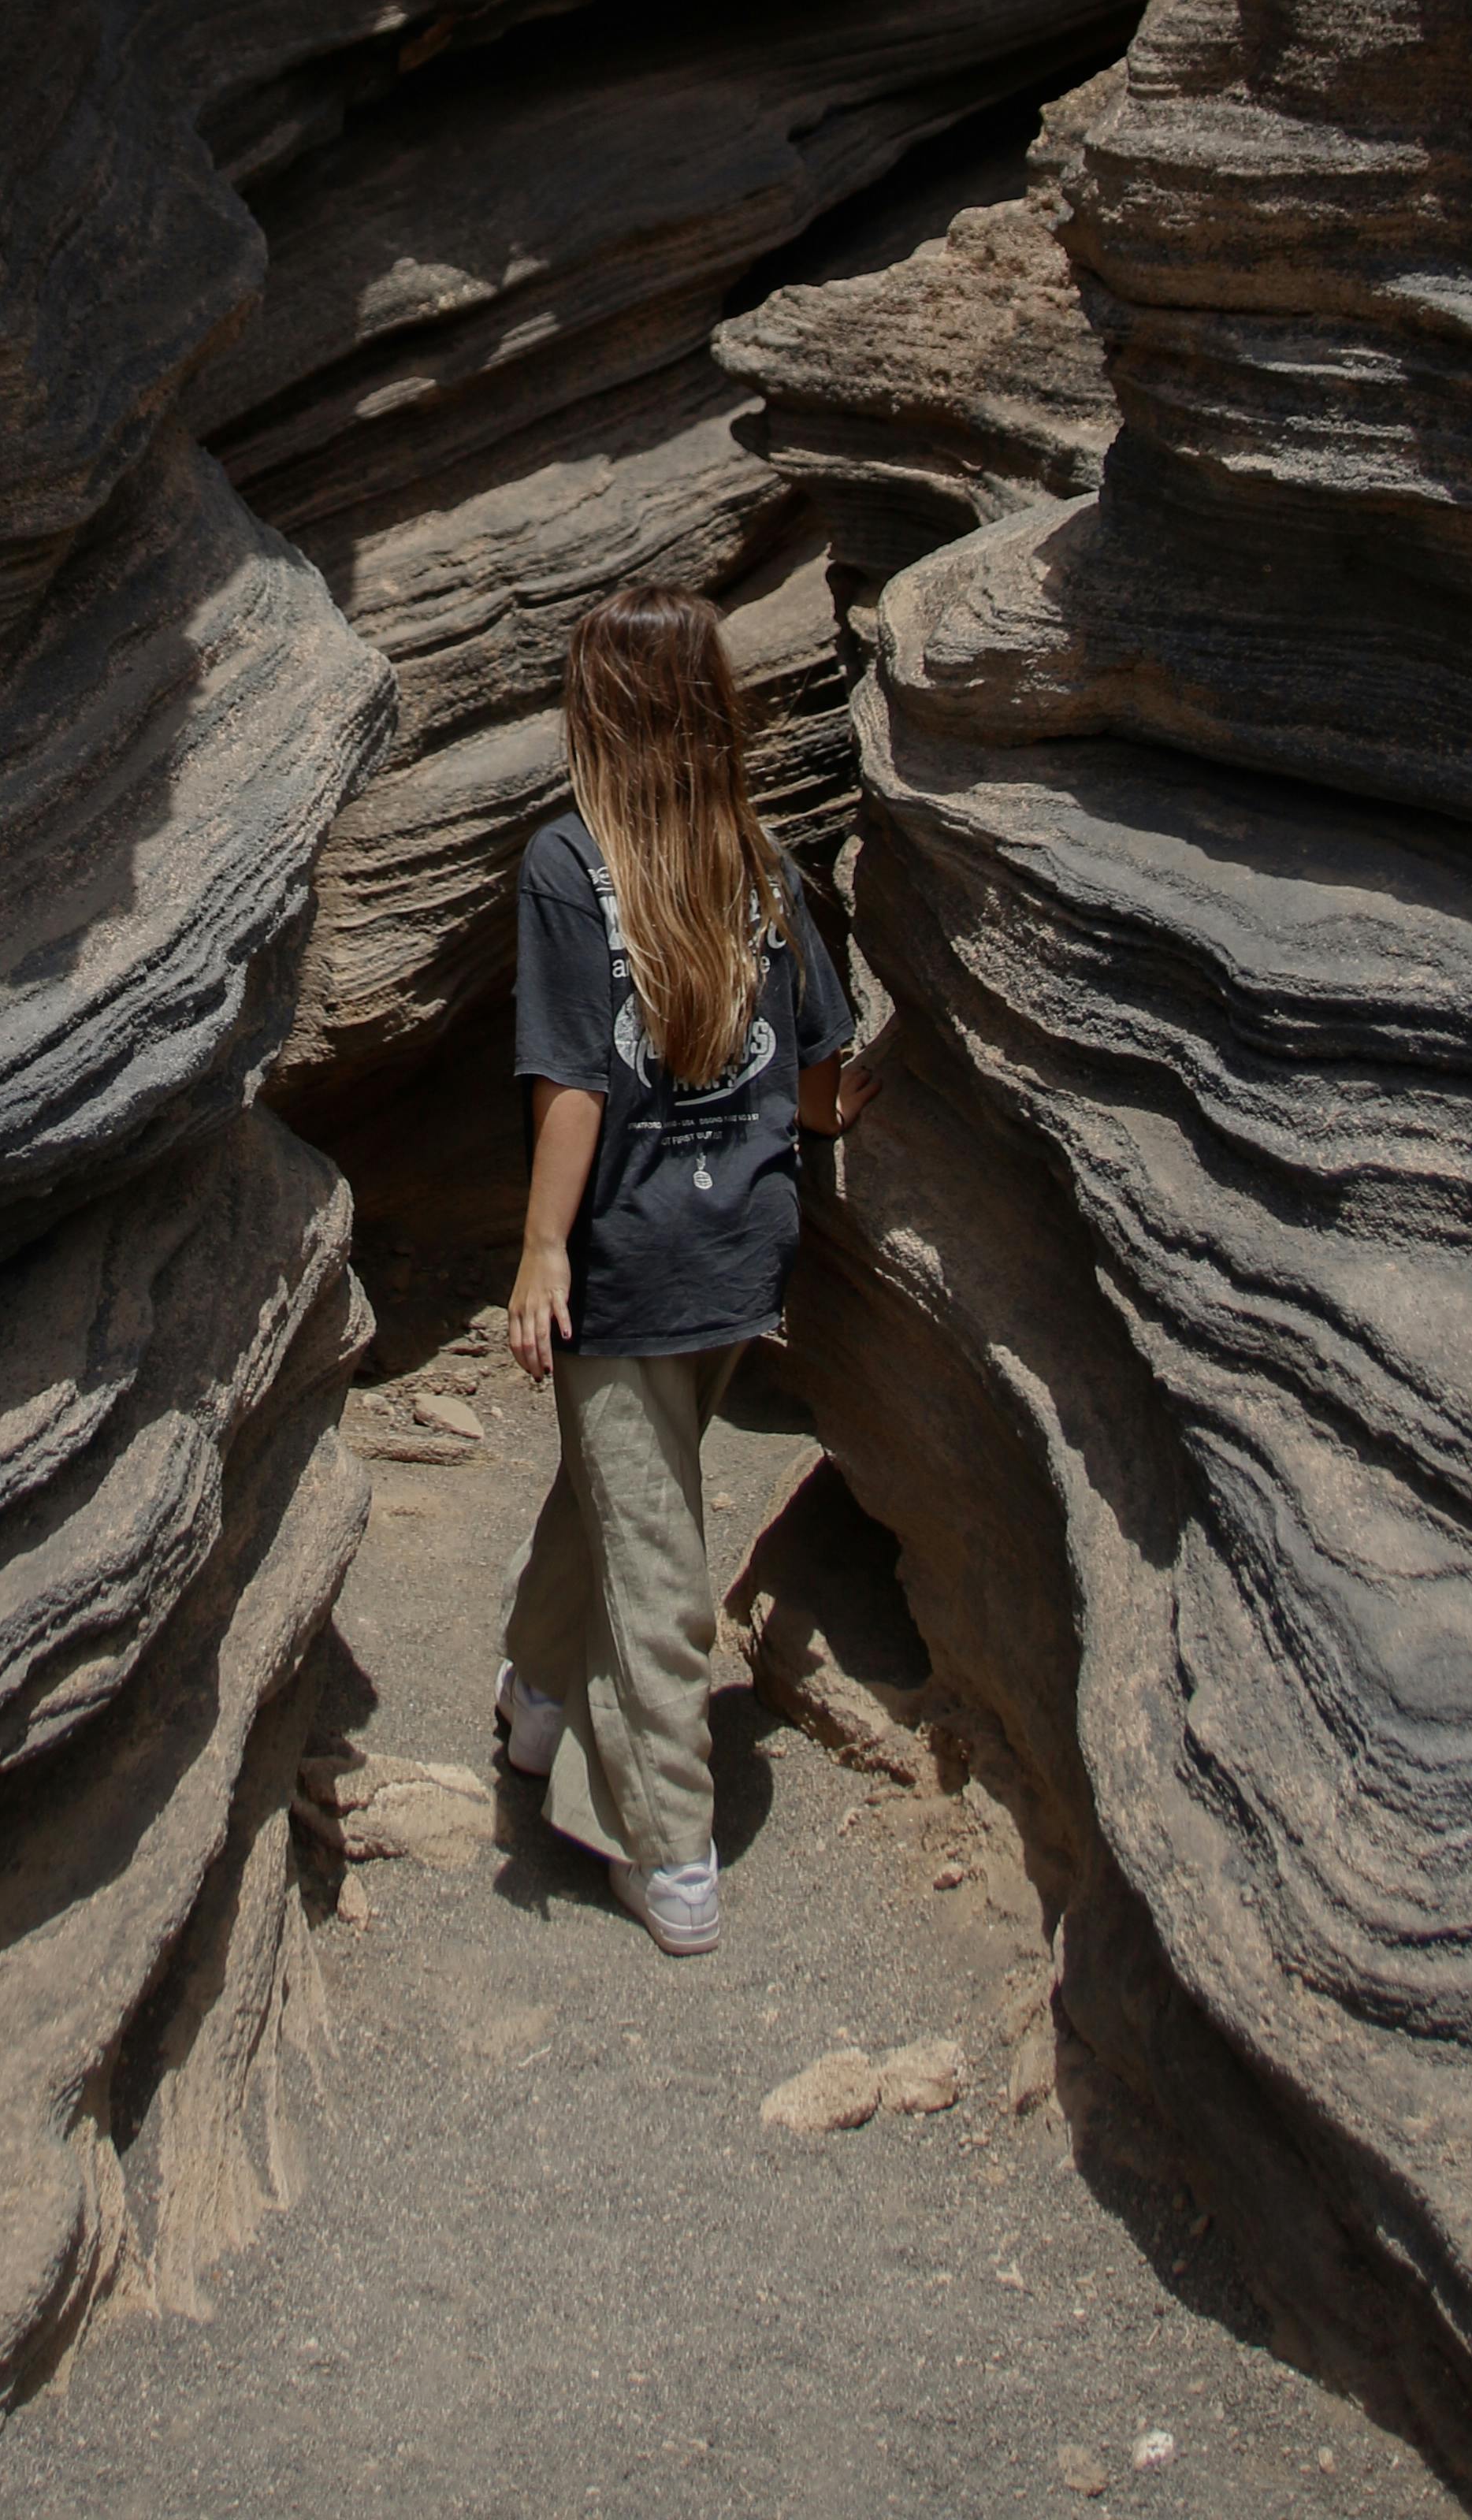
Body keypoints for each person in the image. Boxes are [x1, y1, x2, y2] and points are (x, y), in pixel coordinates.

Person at [496, 582, 874, 1953]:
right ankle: (540, 1702)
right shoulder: (757, 860)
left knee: (655, 1552)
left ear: (598, 715)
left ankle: (670, 1854)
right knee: (626, 1484)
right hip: (741, 1253)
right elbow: (822, 1080)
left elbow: (574, 1085)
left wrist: (543, 1250)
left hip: (627, 1262)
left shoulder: (568, 865)